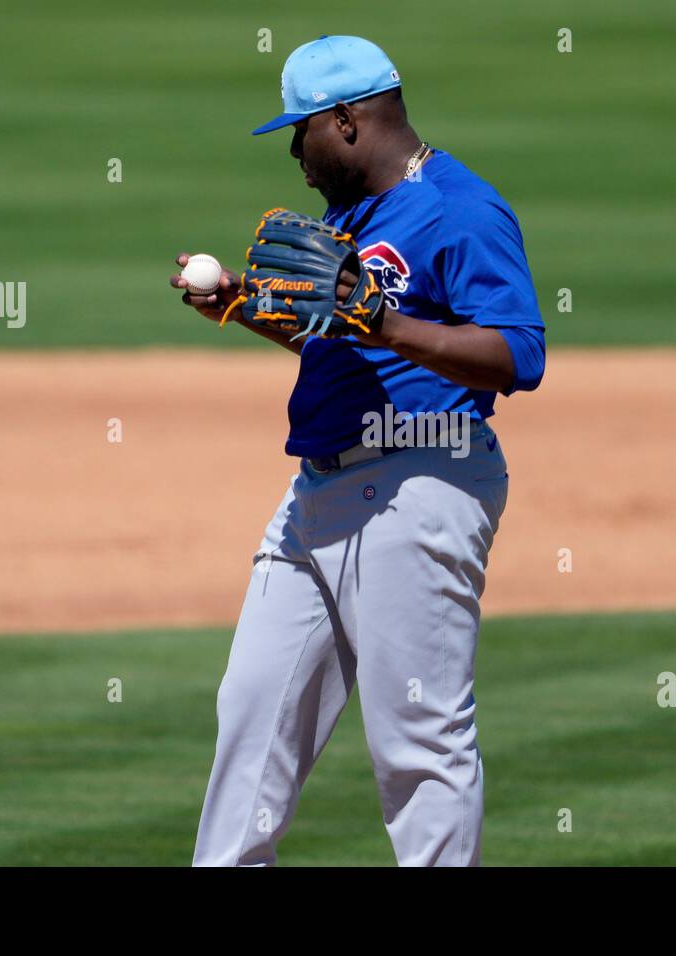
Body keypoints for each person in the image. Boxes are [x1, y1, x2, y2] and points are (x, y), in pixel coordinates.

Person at [172, 35, 546, 866]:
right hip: (319, 493)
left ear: (344, 122)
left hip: (420, 482)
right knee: (252, 711)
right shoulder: (353, 217)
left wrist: (389, 323)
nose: (296, 158)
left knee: (418, 747)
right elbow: (346, 345)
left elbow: (521, 354)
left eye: (298, 133)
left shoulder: (461, 209)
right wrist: (245, 305)